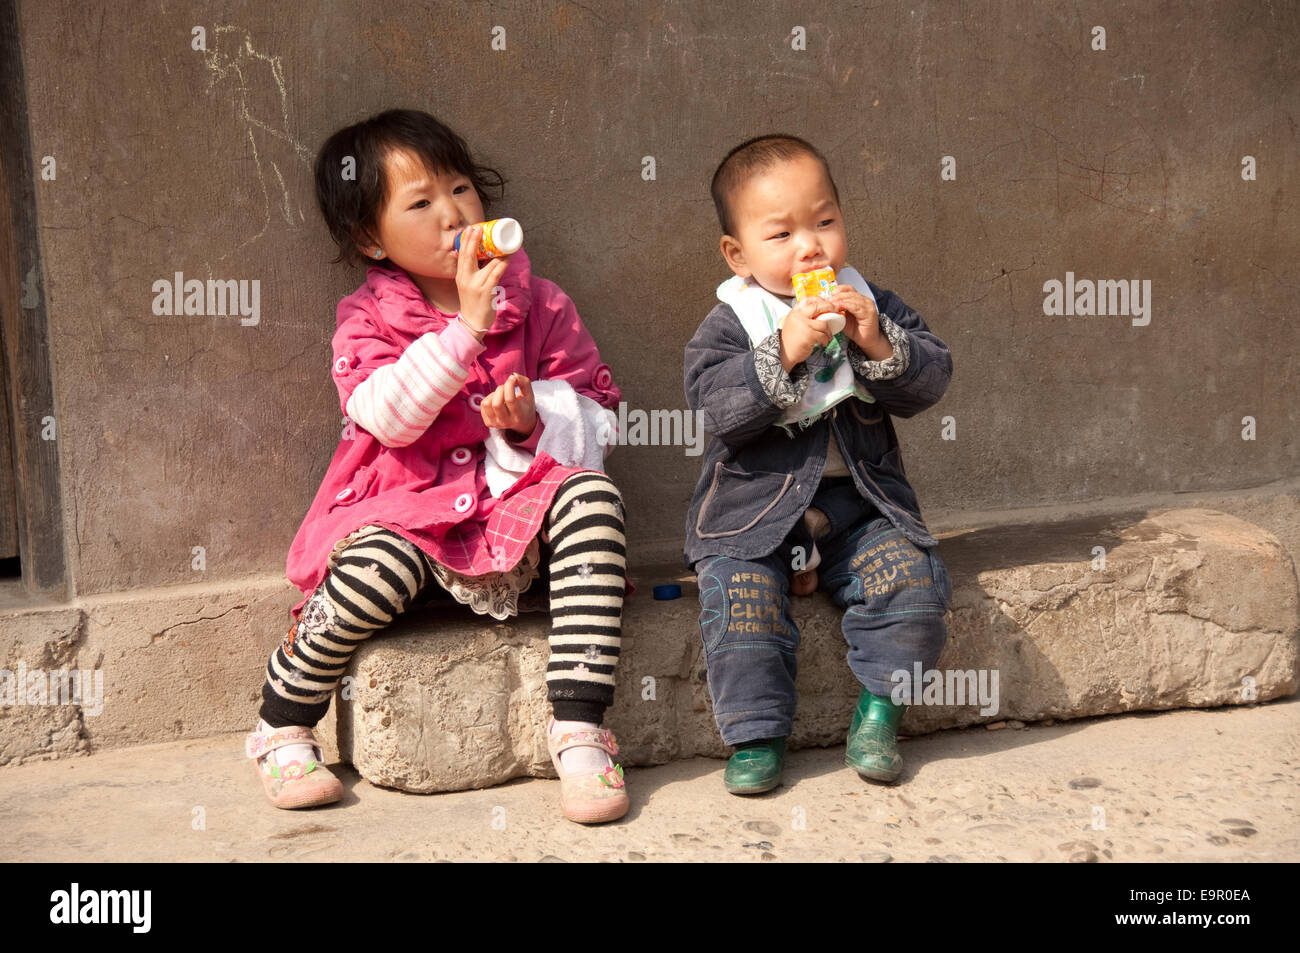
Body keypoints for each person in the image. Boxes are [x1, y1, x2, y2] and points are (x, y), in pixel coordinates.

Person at [247, 110, 629, 824]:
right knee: (374, 567)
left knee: (595, 500)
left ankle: (579, 730)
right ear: (371, 237)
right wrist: (468, 332)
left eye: (460, 188)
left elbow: (602, 414)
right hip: (412, 520)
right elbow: (389, 415)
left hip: (516, 524)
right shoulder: (367, 317)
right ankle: (283, 721)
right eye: (420, 202)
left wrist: (533, 419)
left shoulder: (540, 302)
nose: (451, 212)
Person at [683, 134, 954, 794]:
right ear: (737, 254)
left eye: (825, 222)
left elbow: (932, 378)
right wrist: (785, 348)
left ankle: (879, 712)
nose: (810, 247)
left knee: (914, 579)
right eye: (781, 235)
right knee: (738, 603)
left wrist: (877, 342)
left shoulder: (870, 302)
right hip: (755, 518)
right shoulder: (734, 321)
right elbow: (716, 408)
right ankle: (757, 733)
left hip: (857, 509)